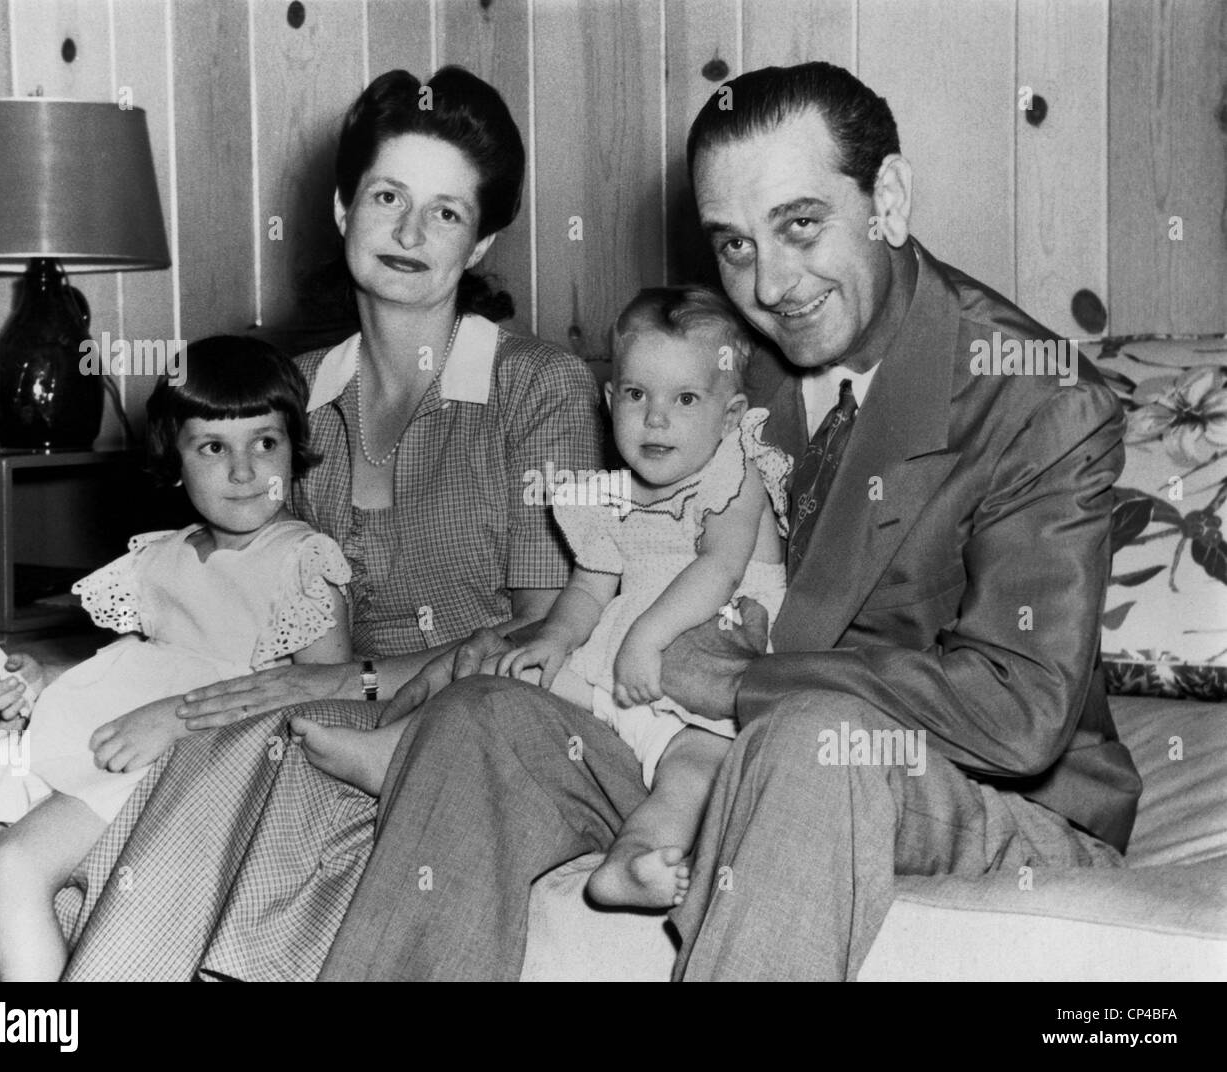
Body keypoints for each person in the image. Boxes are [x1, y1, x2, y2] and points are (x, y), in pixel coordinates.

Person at [316, 62, 1142, 981]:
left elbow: (1018, 712)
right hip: (708, 747)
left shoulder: (1037, 398)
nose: (774, 283)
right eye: (734, 245)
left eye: (799, 225)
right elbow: (619, 557)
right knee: (483, 719)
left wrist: (740, 685)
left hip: (982, 794)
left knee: (806, 742)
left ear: (890, 199)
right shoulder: (723, 364)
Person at [0, 66, 602, 981]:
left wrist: (305, 686)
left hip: (440, 715)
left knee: (201, 749)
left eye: (446, 213)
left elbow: (540, 634)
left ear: (480, 243)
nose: (409, 232)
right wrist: (58, 674)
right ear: (340, 207)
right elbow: (209, 590)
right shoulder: (284, 395)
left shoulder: (539, 387)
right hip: (255, 685)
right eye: (388, 195)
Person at [301, 285, 791, 909]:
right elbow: (589, 586)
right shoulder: (609, 493)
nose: (657, 418)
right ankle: (394, 750)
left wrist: (648, 639)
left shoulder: (735, 475)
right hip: (615, 672)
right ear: (612, 401)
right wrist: (553, 641)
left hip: (705, 675)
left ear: (728, 415)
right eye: (638, 395)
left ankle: (634, 861)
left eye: (686, 399)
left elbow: (719, 570)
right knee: (493, 668)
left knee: (693, 774)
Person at [0, 337, 352, 980]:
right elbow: (135, 665)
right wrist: (43, 685)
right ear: (174, 461)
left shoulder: (304, 562)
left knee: (9, 871)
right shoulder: (162, 554)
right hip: (94, 730)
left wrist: (177, 719)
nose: (243, 470)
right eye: (213, 446)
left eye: (265, 442)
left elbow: (328, 696)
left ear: (294, 450)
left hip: (178, 764)